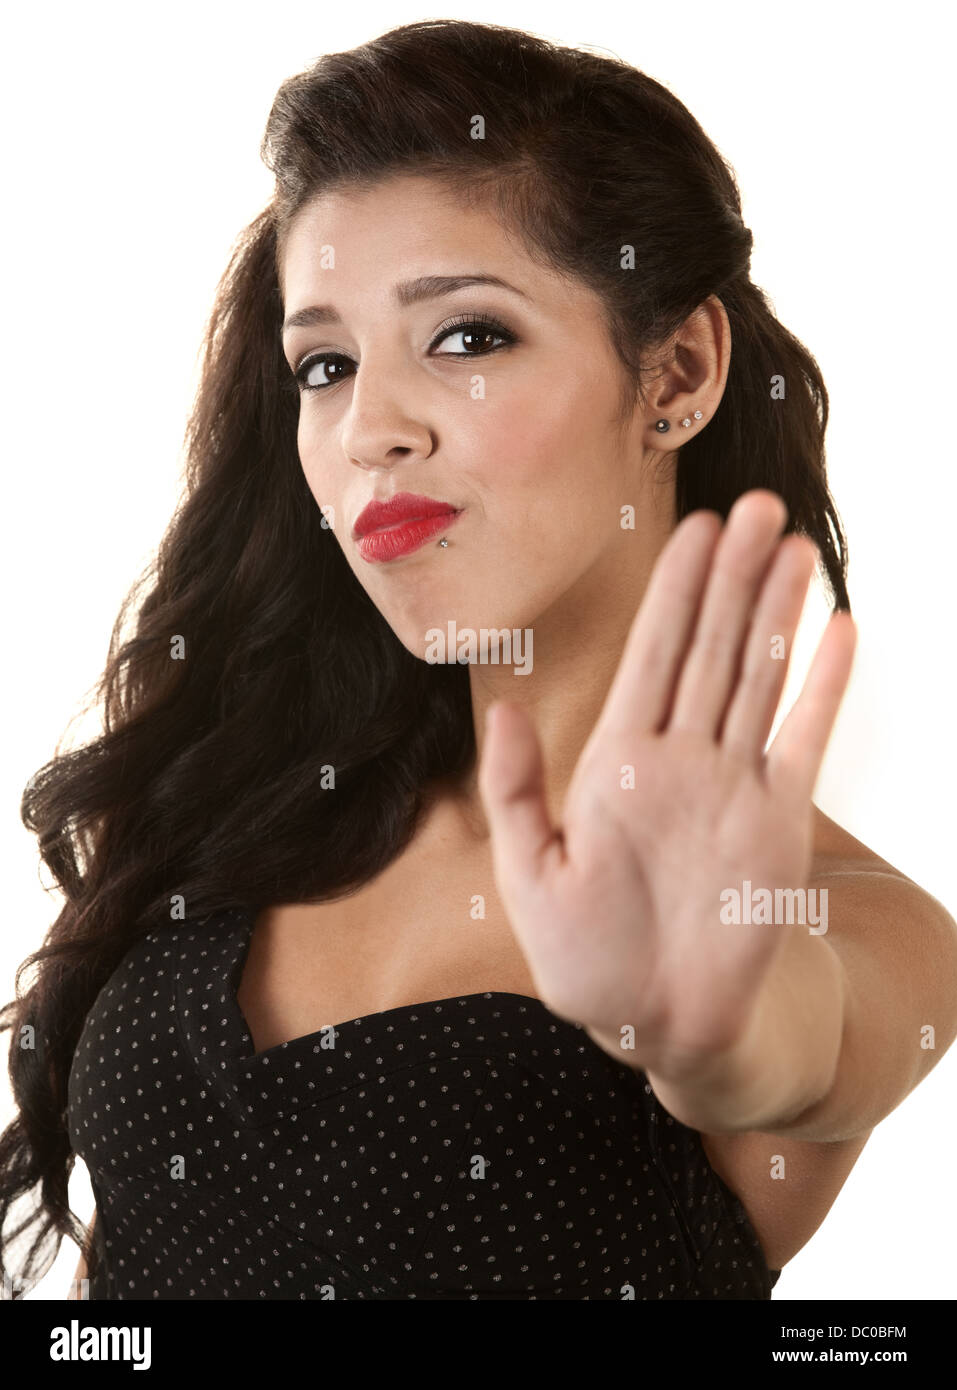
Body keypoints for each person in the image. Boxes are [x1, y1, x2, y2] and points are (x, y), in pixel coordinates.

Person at [3, 18, 956, 1301]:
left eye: (465, 337)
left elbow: (805, 1033)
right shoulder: (247, 807)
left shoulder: (854, 917)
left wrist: (700, 1009)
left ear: (676, 371)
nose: (368, 431)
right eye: (325, 365)